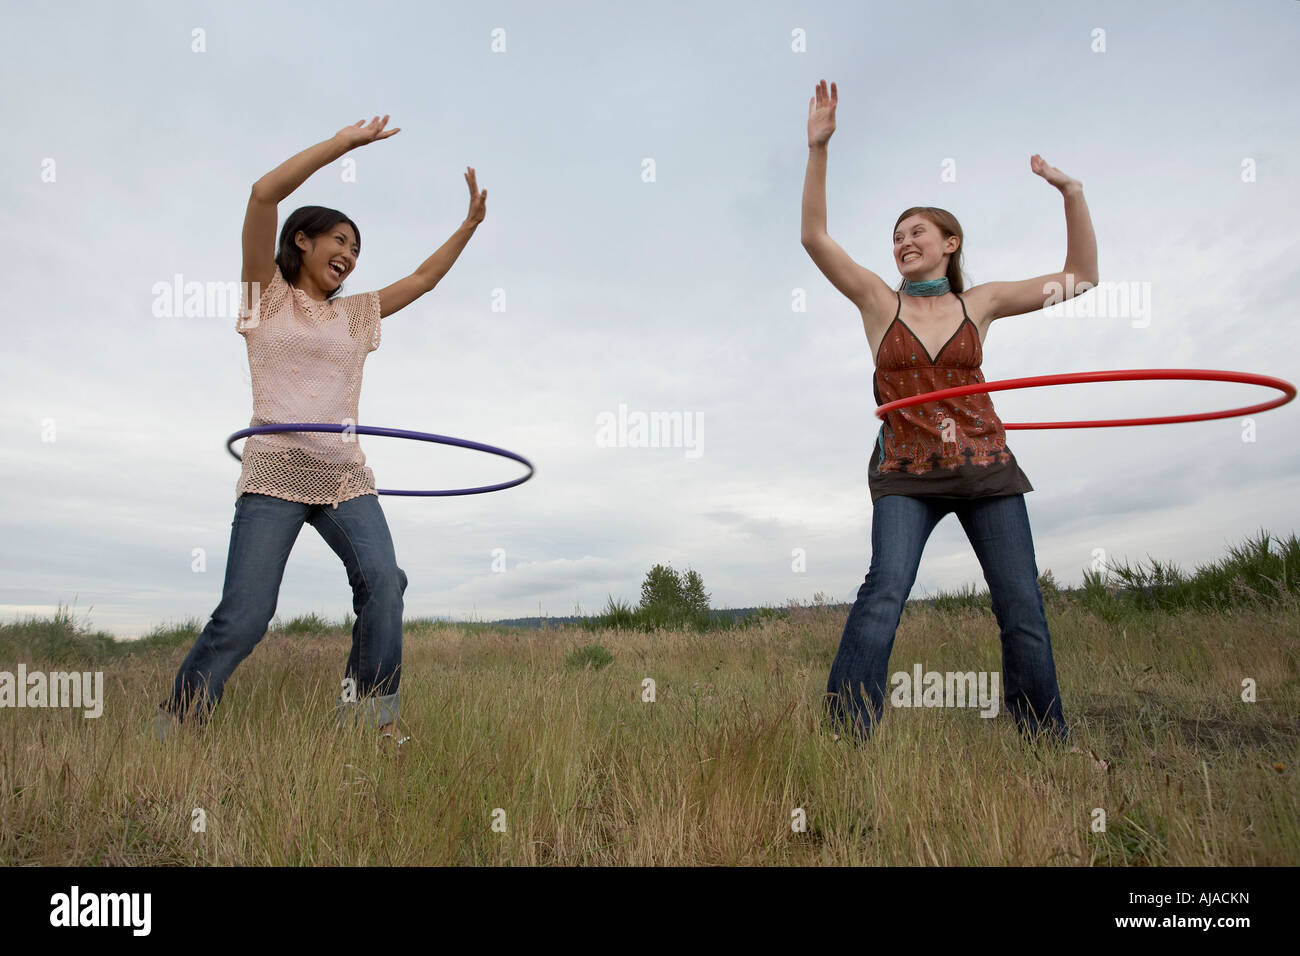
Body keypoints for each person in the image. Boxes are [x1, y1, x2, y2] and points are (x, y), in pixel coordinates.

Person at [157, 116, 487, 747]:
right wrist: (345, 145)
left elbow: (423, 279)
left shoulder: (357, 315)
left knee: (385, 582)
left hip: (343, 475)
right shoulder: (265, 296)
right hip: (275, 470)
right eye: (340, 240)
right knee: (247, 617)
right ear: (302, 241)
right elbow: (261, 194)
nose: (350, 256)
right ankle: (177, 722)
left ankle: (370, 720)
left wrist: (467, 226)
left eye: (357, 249)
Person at [800, 81, 1097, 746]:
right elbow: (815, 237)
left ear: (950, 243)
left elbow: (1080, 278)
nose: (904, 243)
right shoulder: (879, 302)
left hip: (986, 466)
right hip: (907, 473)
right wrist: (819, 149)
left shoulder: (981, 303)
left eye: (917, 233)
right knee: (883, 597)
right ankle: (847, 740)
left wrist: (1070, 193)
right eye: (897, 236)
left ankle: (1046, 742)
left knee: (1021, 608)